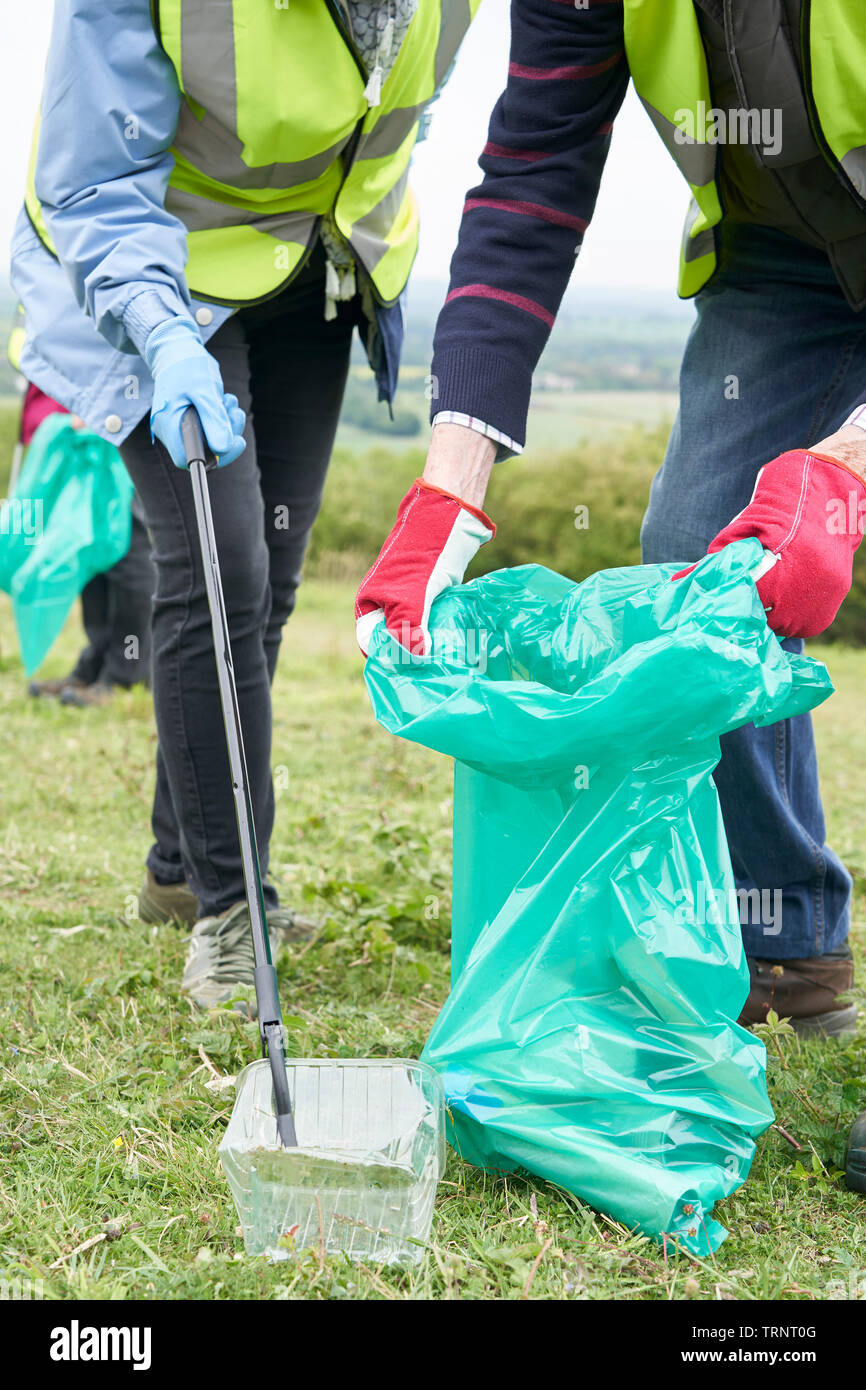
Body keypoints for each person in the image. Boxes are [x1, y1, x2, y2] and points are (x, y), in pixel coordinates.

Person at [358, 0, 866, 1042]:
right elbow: (532, 180)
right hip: (779, 261)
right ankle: (781, 936)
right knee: (698, 561)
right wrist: (444, 493)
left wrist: (844, 465)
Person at [12, 0, 478, 998]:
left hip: (314, 269)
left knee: (263, 581)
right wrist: (162, 331)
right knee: (219, 563)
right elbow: (94, 179)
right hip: (149, 264)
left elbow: (406, 105)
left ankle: (179, 874)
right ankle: (231, 912)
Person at [11, 383, 156, 707]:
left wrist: (105, 404)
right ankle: (96, 664)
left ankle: (126, 672)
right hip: (79, 432)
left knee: (128, 545)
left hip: (117, 423)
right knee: (90, 544)